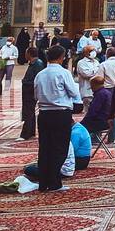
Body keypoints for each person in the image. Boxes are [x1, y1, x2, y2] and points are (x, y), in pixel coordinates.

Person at [33, 46, 80, 191]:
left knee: (45, 147)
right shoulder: (63, 73)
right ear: (61, 57)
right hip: (60, 114)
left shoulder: (40, 74)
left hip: (44, 114)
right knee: (59, 148)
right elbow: (73, 92)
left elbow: (35, 96)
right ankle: (54, 182)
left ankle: (43, 182)